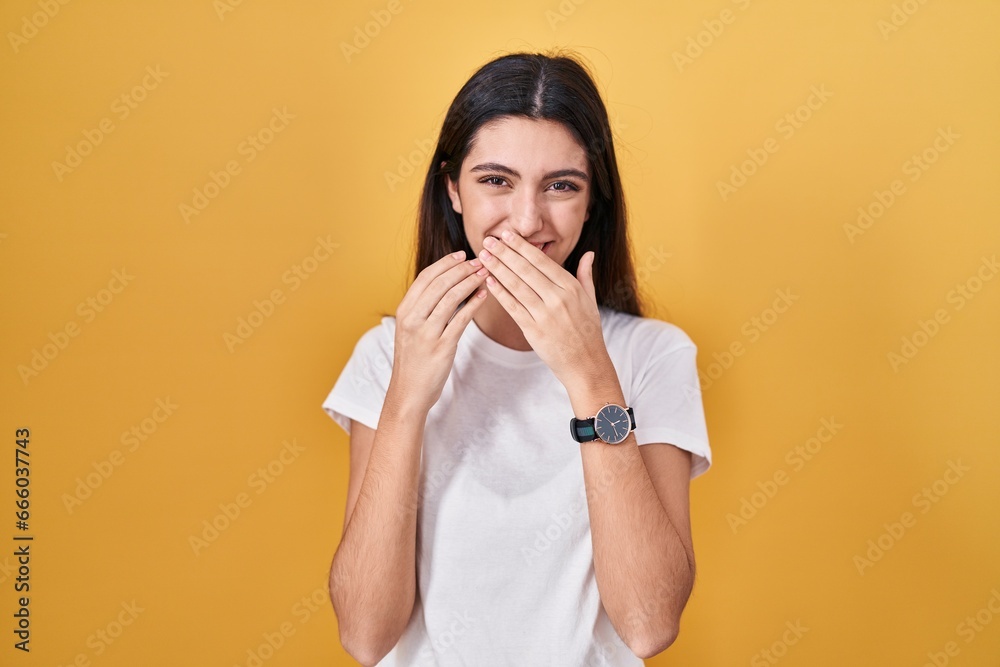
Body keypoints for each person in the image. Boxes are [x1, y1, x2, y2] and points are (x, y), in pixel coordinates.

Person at [321, 50, 712, 666]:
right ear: (452, 188)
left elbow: (648, 624)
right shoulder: (385, 354)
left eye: (561, 186)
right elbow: (365, 636)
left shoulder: (654, 355)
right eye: (496, 180)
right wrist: (406, 400)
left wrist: (590, 375)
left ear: (592, 205)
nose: (528, 221)